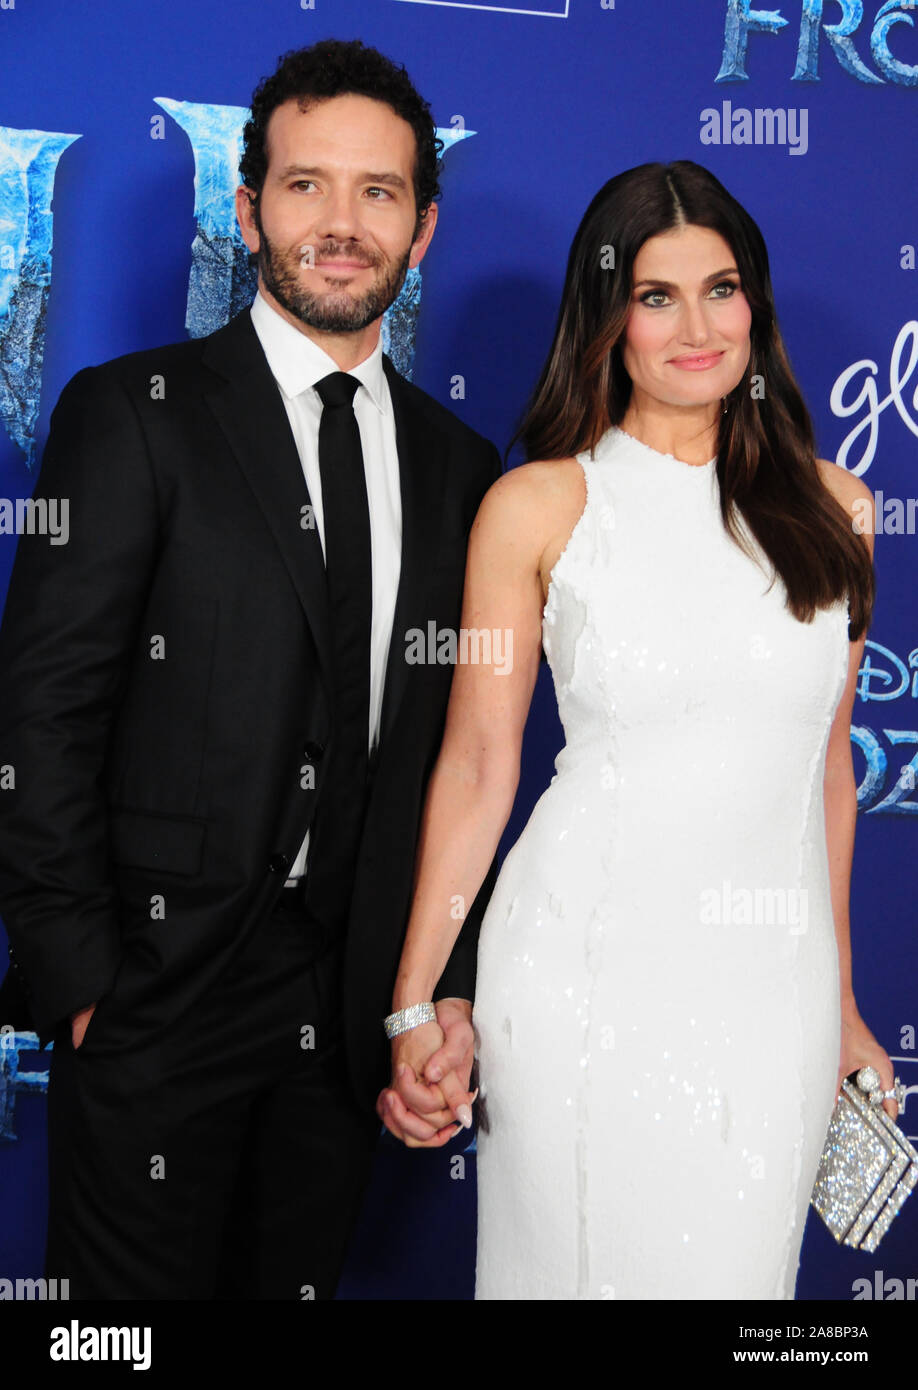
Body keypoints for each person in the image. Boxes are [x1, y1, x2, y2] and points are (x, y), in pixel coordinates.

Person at [0, 38, 499, 1299]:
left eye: (378, 192)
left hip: (346, 1013)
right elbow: (41, 712)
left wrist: (425, 993)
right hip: (155, 996)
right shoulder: (136, 413)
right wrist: (87, 990)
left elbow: (461, 752)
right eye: (306, 186)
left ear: (423, 227)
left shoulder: (459, 468)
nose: (341, 224)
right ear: (248, 207)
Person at [378, 160, 900, 1299]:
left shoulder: (840, 510)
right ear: (607, 319)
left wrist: (846, 1005)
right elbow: (477, 763)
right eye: (655, 296)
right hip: (584, 976)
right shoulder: (541, 505)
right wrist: (419, 997)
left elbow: (825, 774)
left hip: (776, 997)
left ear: (754, 303)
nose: (695, 326)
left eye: (720, 289)